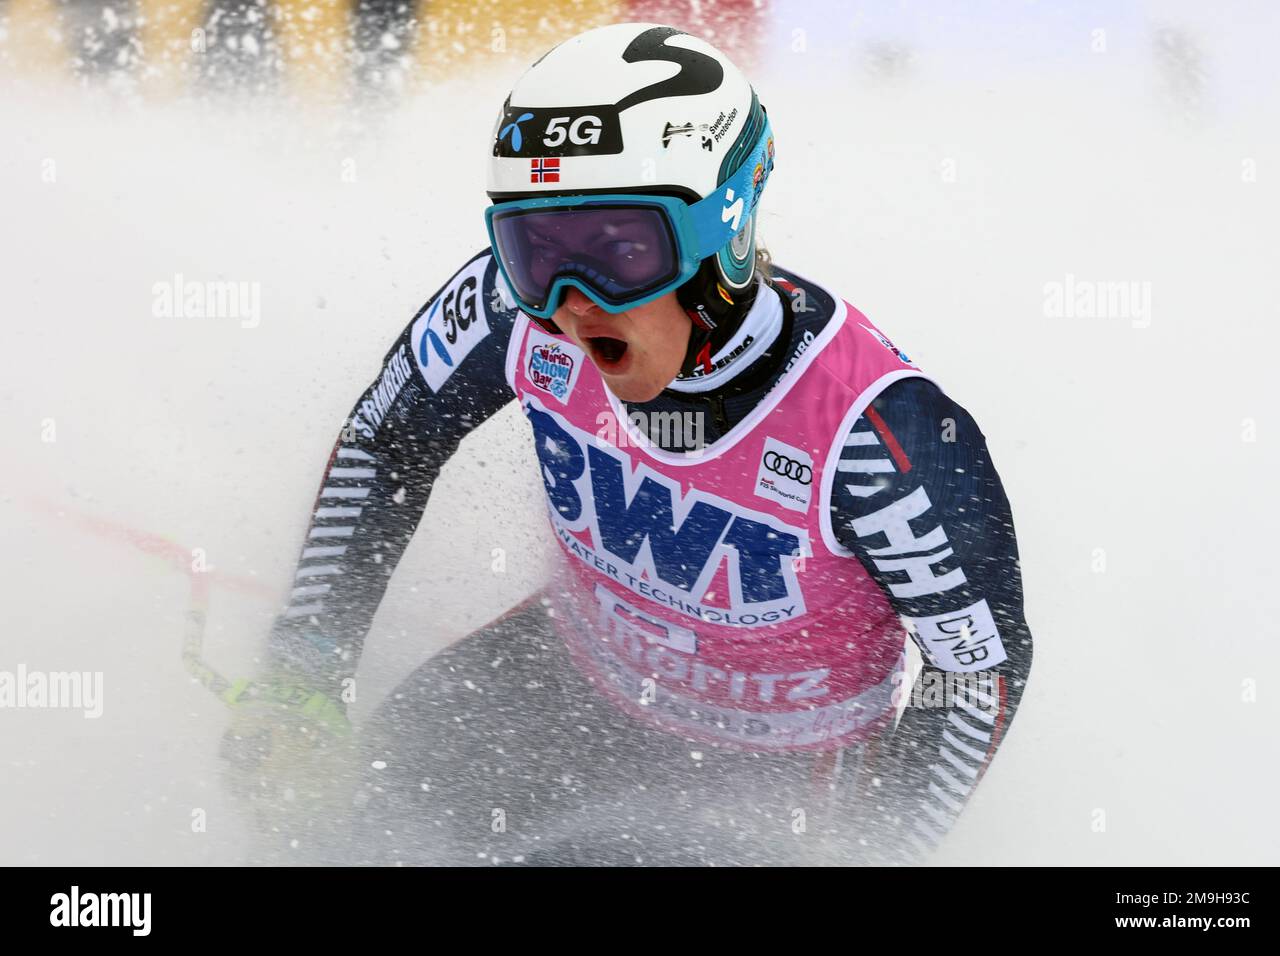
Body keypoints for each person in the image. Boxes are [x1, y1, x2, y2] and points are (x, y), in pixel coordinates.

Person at [221, 22, 1034, 866]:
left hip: (773, 781)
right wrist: (301, 674)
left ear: (722, 229)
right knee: (331, 824)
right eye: (537, 253)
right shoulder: (512, 315)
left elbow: (975, 670)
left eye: (620, 249)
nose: (575, 302)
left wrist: (879, 853)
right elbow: (385, 446)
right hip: (565, 682)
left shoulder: (875, 435)